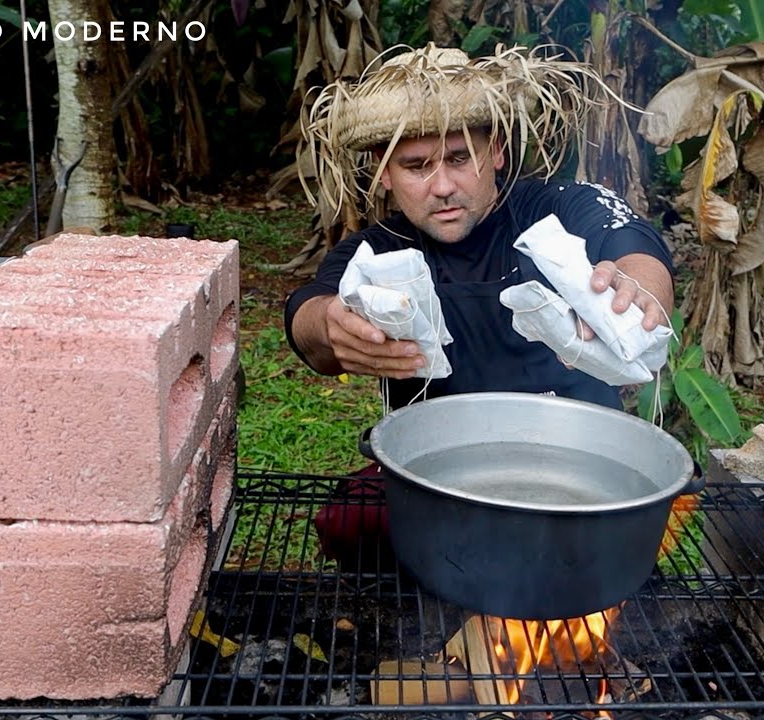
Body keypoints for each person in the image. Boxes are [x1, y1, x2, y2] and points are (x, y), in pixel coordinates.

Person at [283, 44, 676, 568]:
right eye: (416, 166)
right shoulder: (373, 252)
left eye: (459, 157)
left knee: (597, 548)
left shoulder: (557, 206)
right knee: (348, 522)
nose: (442, 186)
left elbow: (634, 248)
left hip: (575, 463)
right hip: (443, 476)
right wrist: (330, 327)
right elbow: (310, 316)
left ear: (496, 151)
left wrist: (637, 291)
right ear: (384, 174)